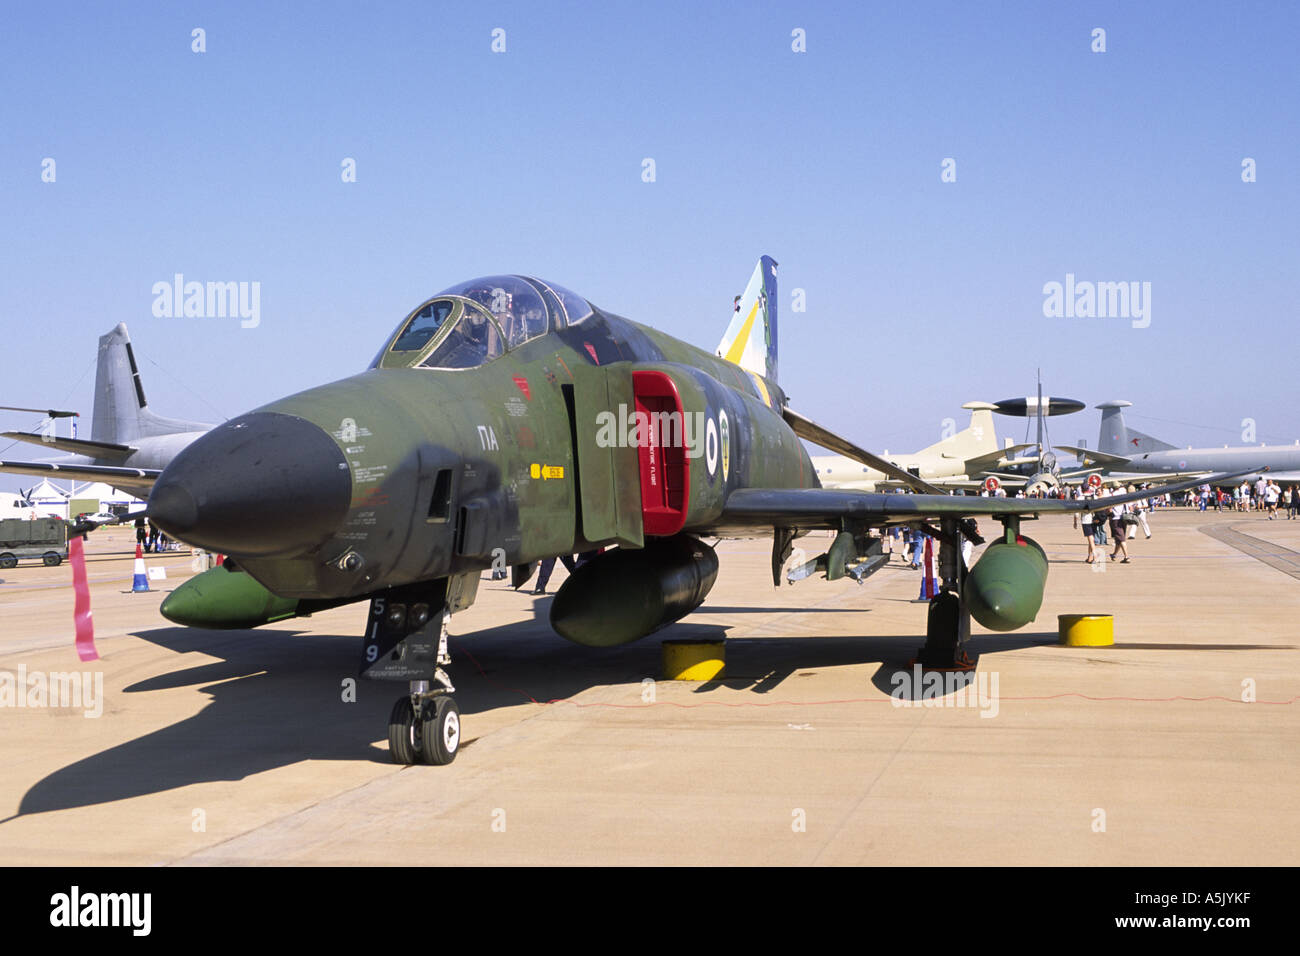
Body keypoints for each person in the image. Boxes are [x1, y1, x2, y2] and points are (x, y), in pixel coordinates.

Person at [1109, 497, 1130, 563]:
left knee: (1121, 539)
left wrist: (1109, 515)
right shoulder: (1124, 497)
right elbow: (1130, 507)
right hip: (1124, 518)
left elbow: (1109, 509)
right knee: (1118, 539)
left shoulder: (1112, 497)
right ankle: (1114, 554)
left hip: (1116, 519)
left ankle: (1126, 557)